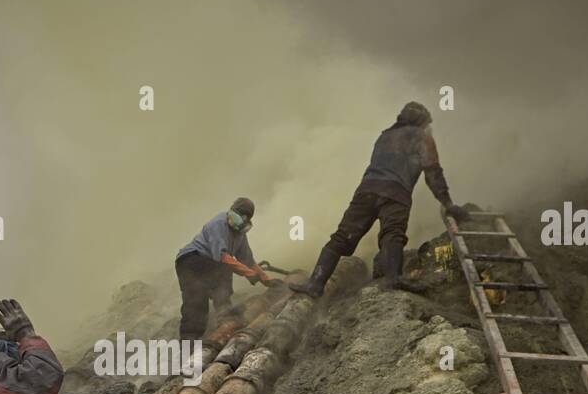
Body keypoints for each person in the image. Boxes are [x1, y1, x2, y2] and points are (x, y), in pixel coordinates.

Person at [291, 101, 471, 297]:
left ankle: (315, 284)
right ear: (422, 122)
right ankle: (393, 279)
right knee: (392, 234)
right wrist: (447, 203)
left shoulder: (384, 136)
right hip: (396, 194)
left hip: (366, 191)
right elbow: (433, 172)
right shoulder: (422, 137)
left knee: (342, 237)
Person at [175, 197, 279, 341]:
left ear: (246, 219)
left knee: (221, 273)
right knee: (196, 300)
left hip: (209, 264)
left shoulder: (240, 235)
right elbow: (223, 258)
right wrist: (250, 274)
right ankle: (190, 339)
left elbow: (248, 260)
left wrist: (266, 279)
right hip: (190, 261)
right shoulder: (218, 224)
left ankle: (223, 312)